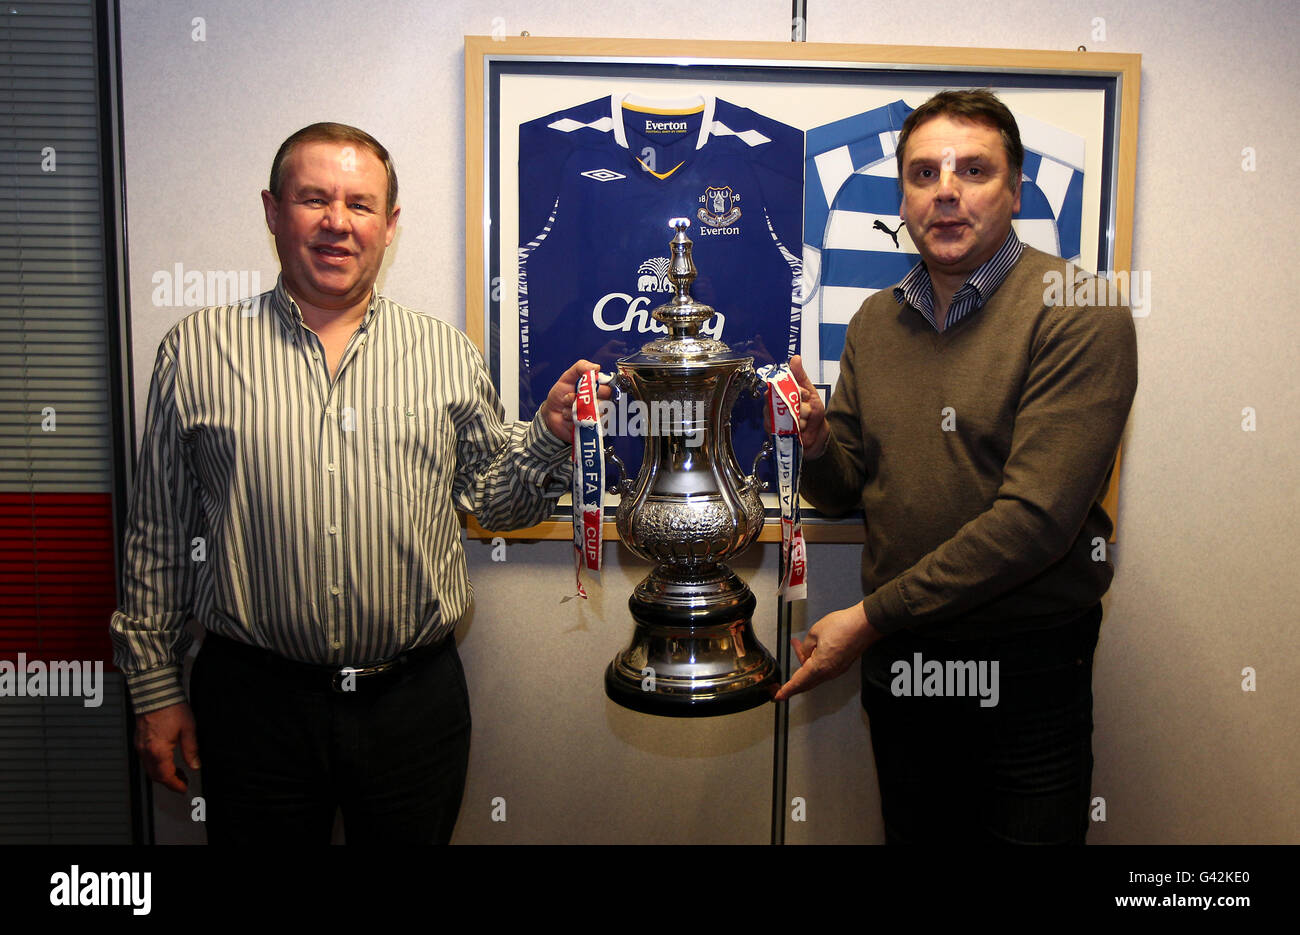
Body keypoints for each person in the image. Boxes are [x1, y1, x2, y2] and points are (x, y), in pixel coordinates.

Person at [110, 122, 602, 844]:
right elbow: (156, 535)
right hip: (254, 705)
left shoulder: (443, 352)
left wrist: (551, 436)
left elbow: (499, 505)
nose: (337, 222)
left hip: (413, 705)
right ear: (273, 212)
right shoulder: (196, 351)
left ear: (390, 225)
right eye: (314, 199)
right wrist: (154, 687)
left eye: (360, 204)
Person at [774, 90, 1138, 844]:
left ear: (1014, 189)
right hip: (903, 664)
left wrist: (867, 619)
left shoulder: (1079, 309)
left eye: (974, 169)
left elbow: (1034, 523)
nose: (945, 190)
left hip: (1023, 669)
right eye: (923, 172)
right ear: (903, 196)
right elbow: (845, 488)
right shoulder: (879, 318)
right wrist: (811, 442)